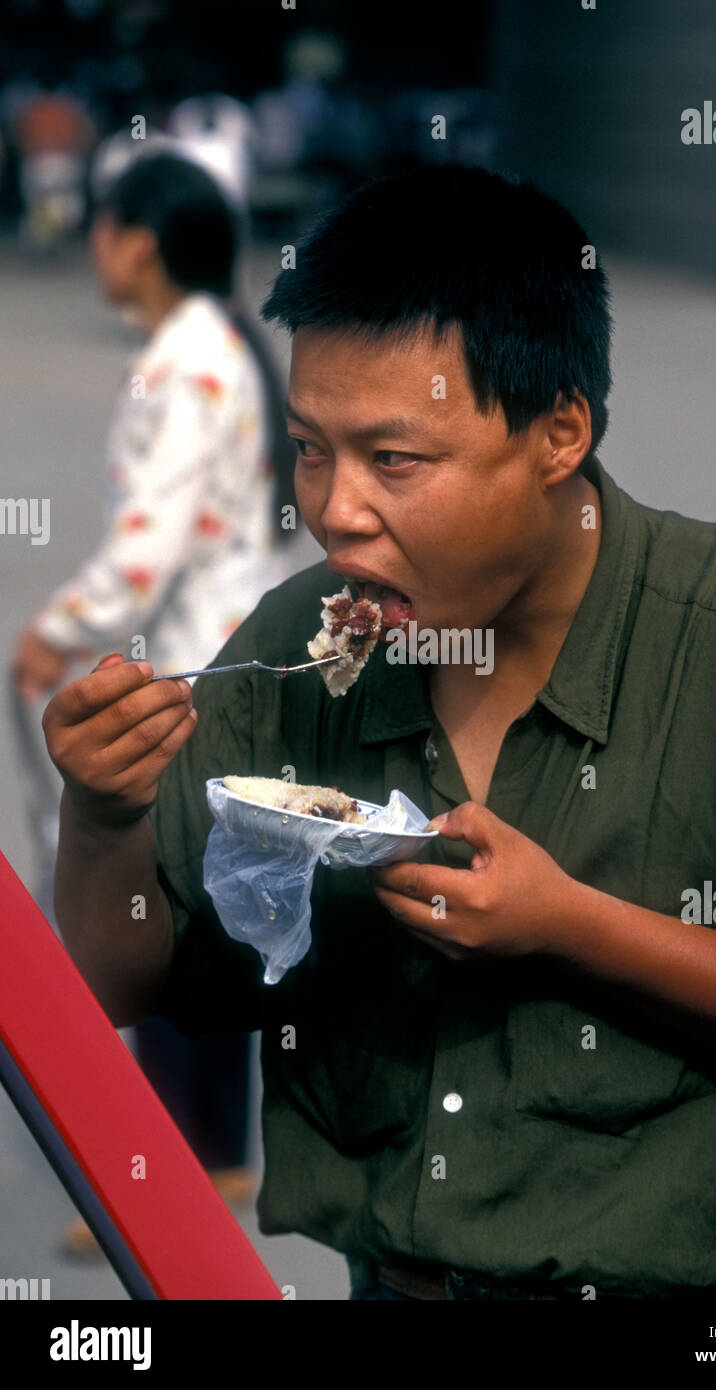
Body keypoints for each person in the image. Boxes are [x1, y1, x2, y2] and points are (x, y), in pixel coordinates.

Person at [41, 165, 716, 1299]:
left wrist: (571, 927)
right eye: (308, 448)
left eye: (394, 461)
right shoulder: (296, 648)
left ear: (558, 434)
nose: (335, 509)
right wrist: (104, 813)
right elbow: (117, 986)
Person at [14, 151, 296, 1255]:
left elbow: (149, 546)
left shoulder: (186, 366)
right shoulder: (213, 345)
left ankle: (171, 1172)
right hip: (220, 662)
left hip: (190, 673)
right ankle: (211, 1150)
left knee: (163, 914)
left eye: (104, 225)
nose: (94, 244)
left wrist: (58, 630)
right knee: (202, 912)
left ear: (139, 241)